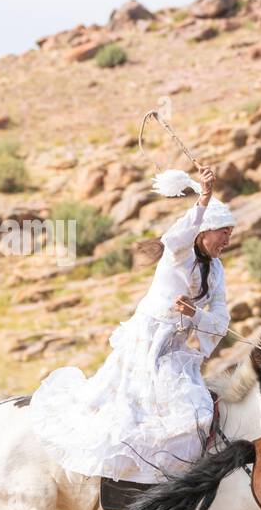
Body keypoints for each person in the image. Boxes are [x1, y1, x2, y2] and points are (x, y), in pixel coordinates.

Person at [30, 165, 234, 484]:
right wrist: (204, 198)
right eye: (224, 232)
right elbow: (179, 233)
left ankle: (169, 489)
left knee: (195, 412)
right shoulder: (178, 253)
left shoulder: (217, 269)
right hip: (146, 341)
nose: (228, 240)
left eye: (230, 233)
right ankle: (124, 485)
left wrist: (197, 315)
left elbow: (221, 319)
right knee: (131, 416)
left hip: (174, 348)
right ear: (204, 231)